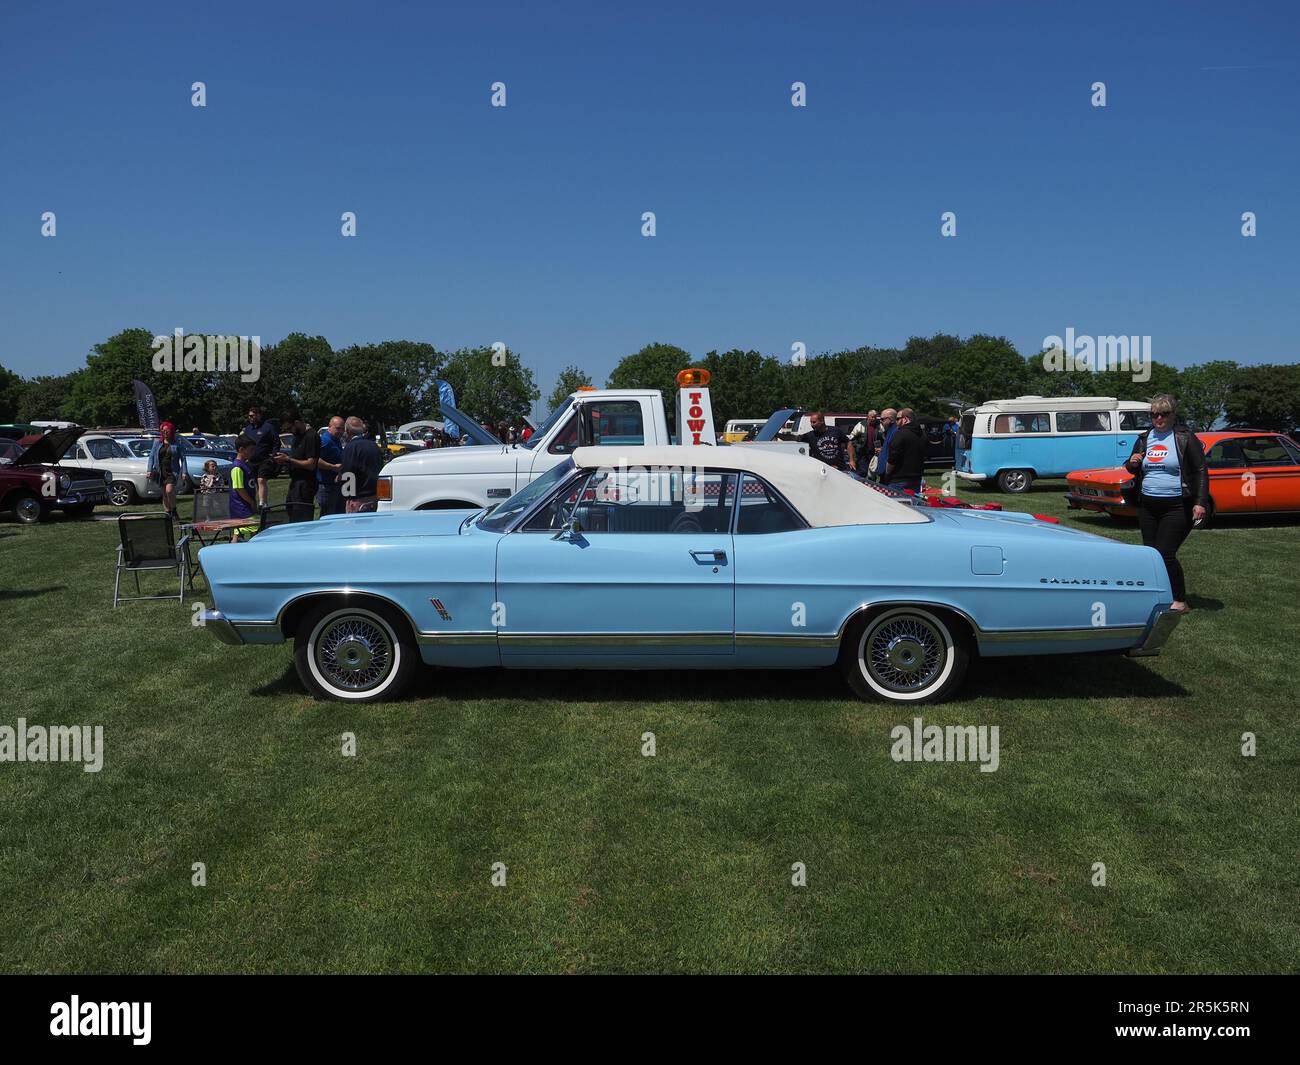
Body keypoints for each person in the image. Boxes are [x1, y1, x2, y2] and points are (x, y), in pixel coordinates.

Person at [1123, 393, 1208, 613]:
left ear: (1173, 415)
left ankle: (1180, 601)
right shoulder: (1144, 438)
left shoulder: (1184, 436)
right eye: (1154, 415)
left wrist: (1200, 502)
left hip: (1177, 505)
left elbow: (1200, 470)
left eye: (1163, 414)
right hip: (1148, 505)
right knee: (1151, 554)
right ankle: (1158, 595)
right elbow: (1132, 466)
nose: (1158, 418)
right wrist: (1131, 462)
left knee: (1166, 553)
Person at [275, 415, 320, 522]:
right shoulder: (297, 437)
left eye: (290, 428)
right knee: (291, 512)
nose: (290, 431)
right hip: (295, 483)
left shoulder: (311, 436)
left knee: (301, 517)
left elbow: (311, 464)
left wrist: (288, 459)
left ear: (297, 423)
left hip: (305, 484)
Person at [146, 421, 190, 520]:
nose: (165, 432)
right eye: (163, 431)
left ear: (171, 431)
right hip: (160, 471)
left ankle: (173, 509)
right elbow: (151, 457)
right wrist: (149, 470)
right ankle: (167, 513)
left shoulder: (177, 444)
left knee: (169, 490)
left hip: (172, 471)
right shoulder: (157, 443)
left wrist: (184, 472)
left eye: (167, 431)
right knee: (164, 493)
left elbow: (183, 459)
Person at [339, 416, 383, 512]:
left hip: (358, 499)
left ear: (348, 431)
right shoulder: (374, 446)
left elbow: (348, 474)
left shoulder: (350, 447)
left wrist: (347, 497)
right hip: (375, 496)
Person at [884, 408, 925, 493]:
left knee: (894, 505)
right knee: (910, 506)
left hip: (898, 480)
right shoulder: (922, 435)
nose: (896, 422)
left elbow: (893, 457)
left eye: (898, 419)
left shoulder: (900, 434)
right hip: (916, 479)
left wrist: (887, 471)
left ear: (905, 419)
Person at [227, 435, 259, 541]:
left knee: (239, 533)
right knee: (255, 531)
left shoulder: (245, 465)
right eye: (250, 450)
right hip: (241, 507)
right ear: (241, 449)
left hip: (245, 506)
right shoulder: (237, 467)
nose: (253, 452)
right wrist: (251, 502)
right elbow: (239, 488)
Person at [249, 412, 280, 508]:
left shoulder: (268, 427)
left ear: (258, 415)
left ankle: (263, 504)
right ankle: (253, 503)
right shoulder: (248, 429)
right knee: (253, 483)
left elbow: (276, 442)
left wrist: (274, 455)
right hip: (251, 460)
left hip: (265, 459)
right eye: (249, 416)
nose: (250, 417)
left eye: (252, 415)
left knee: (261, 479)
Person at [316, 416, 345, 516]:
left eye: (342, 429)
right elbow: (316, 460)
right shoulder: (325, 440)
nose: (341, 431)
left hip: (335, 485)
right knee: (327, 516)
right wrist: (334, 467)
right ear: (329, 427)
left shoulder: (336, 440)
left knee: (337, 515)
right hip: (325, 486)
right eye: (338, 428)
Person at [849, 411, 878, 476]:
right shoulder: (860, 425)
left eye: (875, 417)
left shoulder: (879, 426)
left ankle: (870, 485)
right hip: (862, 454)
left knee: (873, 473)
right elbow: (851, 439)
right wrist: (852, 458)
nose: (874, 419)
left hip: (874, 454)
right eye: (872, 417)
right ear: (867, 417)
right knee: (863, 471)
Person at [874, 408, 898, 482]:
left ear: (890, 419)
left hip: (889, 475)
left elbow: (894, 453)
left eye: (882, 419)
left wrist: (888, 471)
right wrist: (882, 451)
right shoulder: (888, 431)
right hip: (884, 474)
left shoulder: (895, 431)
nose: (880, 421)